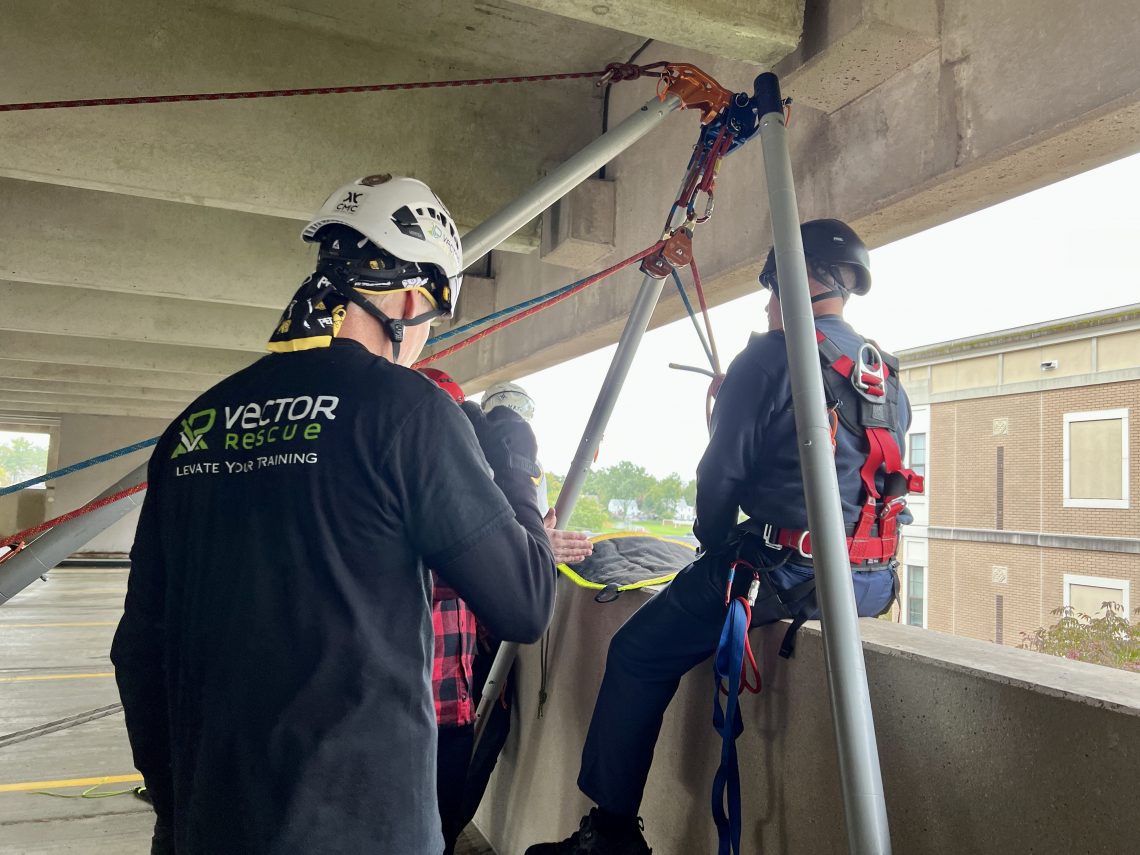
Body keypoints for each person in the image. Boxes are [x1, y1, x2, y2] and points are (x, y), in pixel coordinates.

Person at [111, 174, 557, 855]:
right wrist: (516, 459)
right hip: (365, 829)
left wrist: (177, 807)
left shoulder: (195, 426)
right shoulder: (409, 413)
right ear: (413, 299)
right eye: (430, 323)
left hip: (210, 824)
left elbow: (138, 648)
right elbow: (525, 600)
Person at [526, 219, 920, 854]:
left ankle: (611, 837)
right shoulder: (885, 375)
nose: (767, 305)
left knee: (634, 653)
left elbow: (720, 476)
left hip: (784, 574)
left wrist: (713, 543)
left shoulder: (769, 356)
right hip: (870, 581)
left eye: (770, 291)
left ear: (790, 283)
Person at [419, 369, 591, 855]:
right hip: (426, 704)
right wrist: (524, 545)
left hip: (449, 691)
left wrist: (527, 538)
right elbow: (518, 599)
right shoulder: (421, 482)